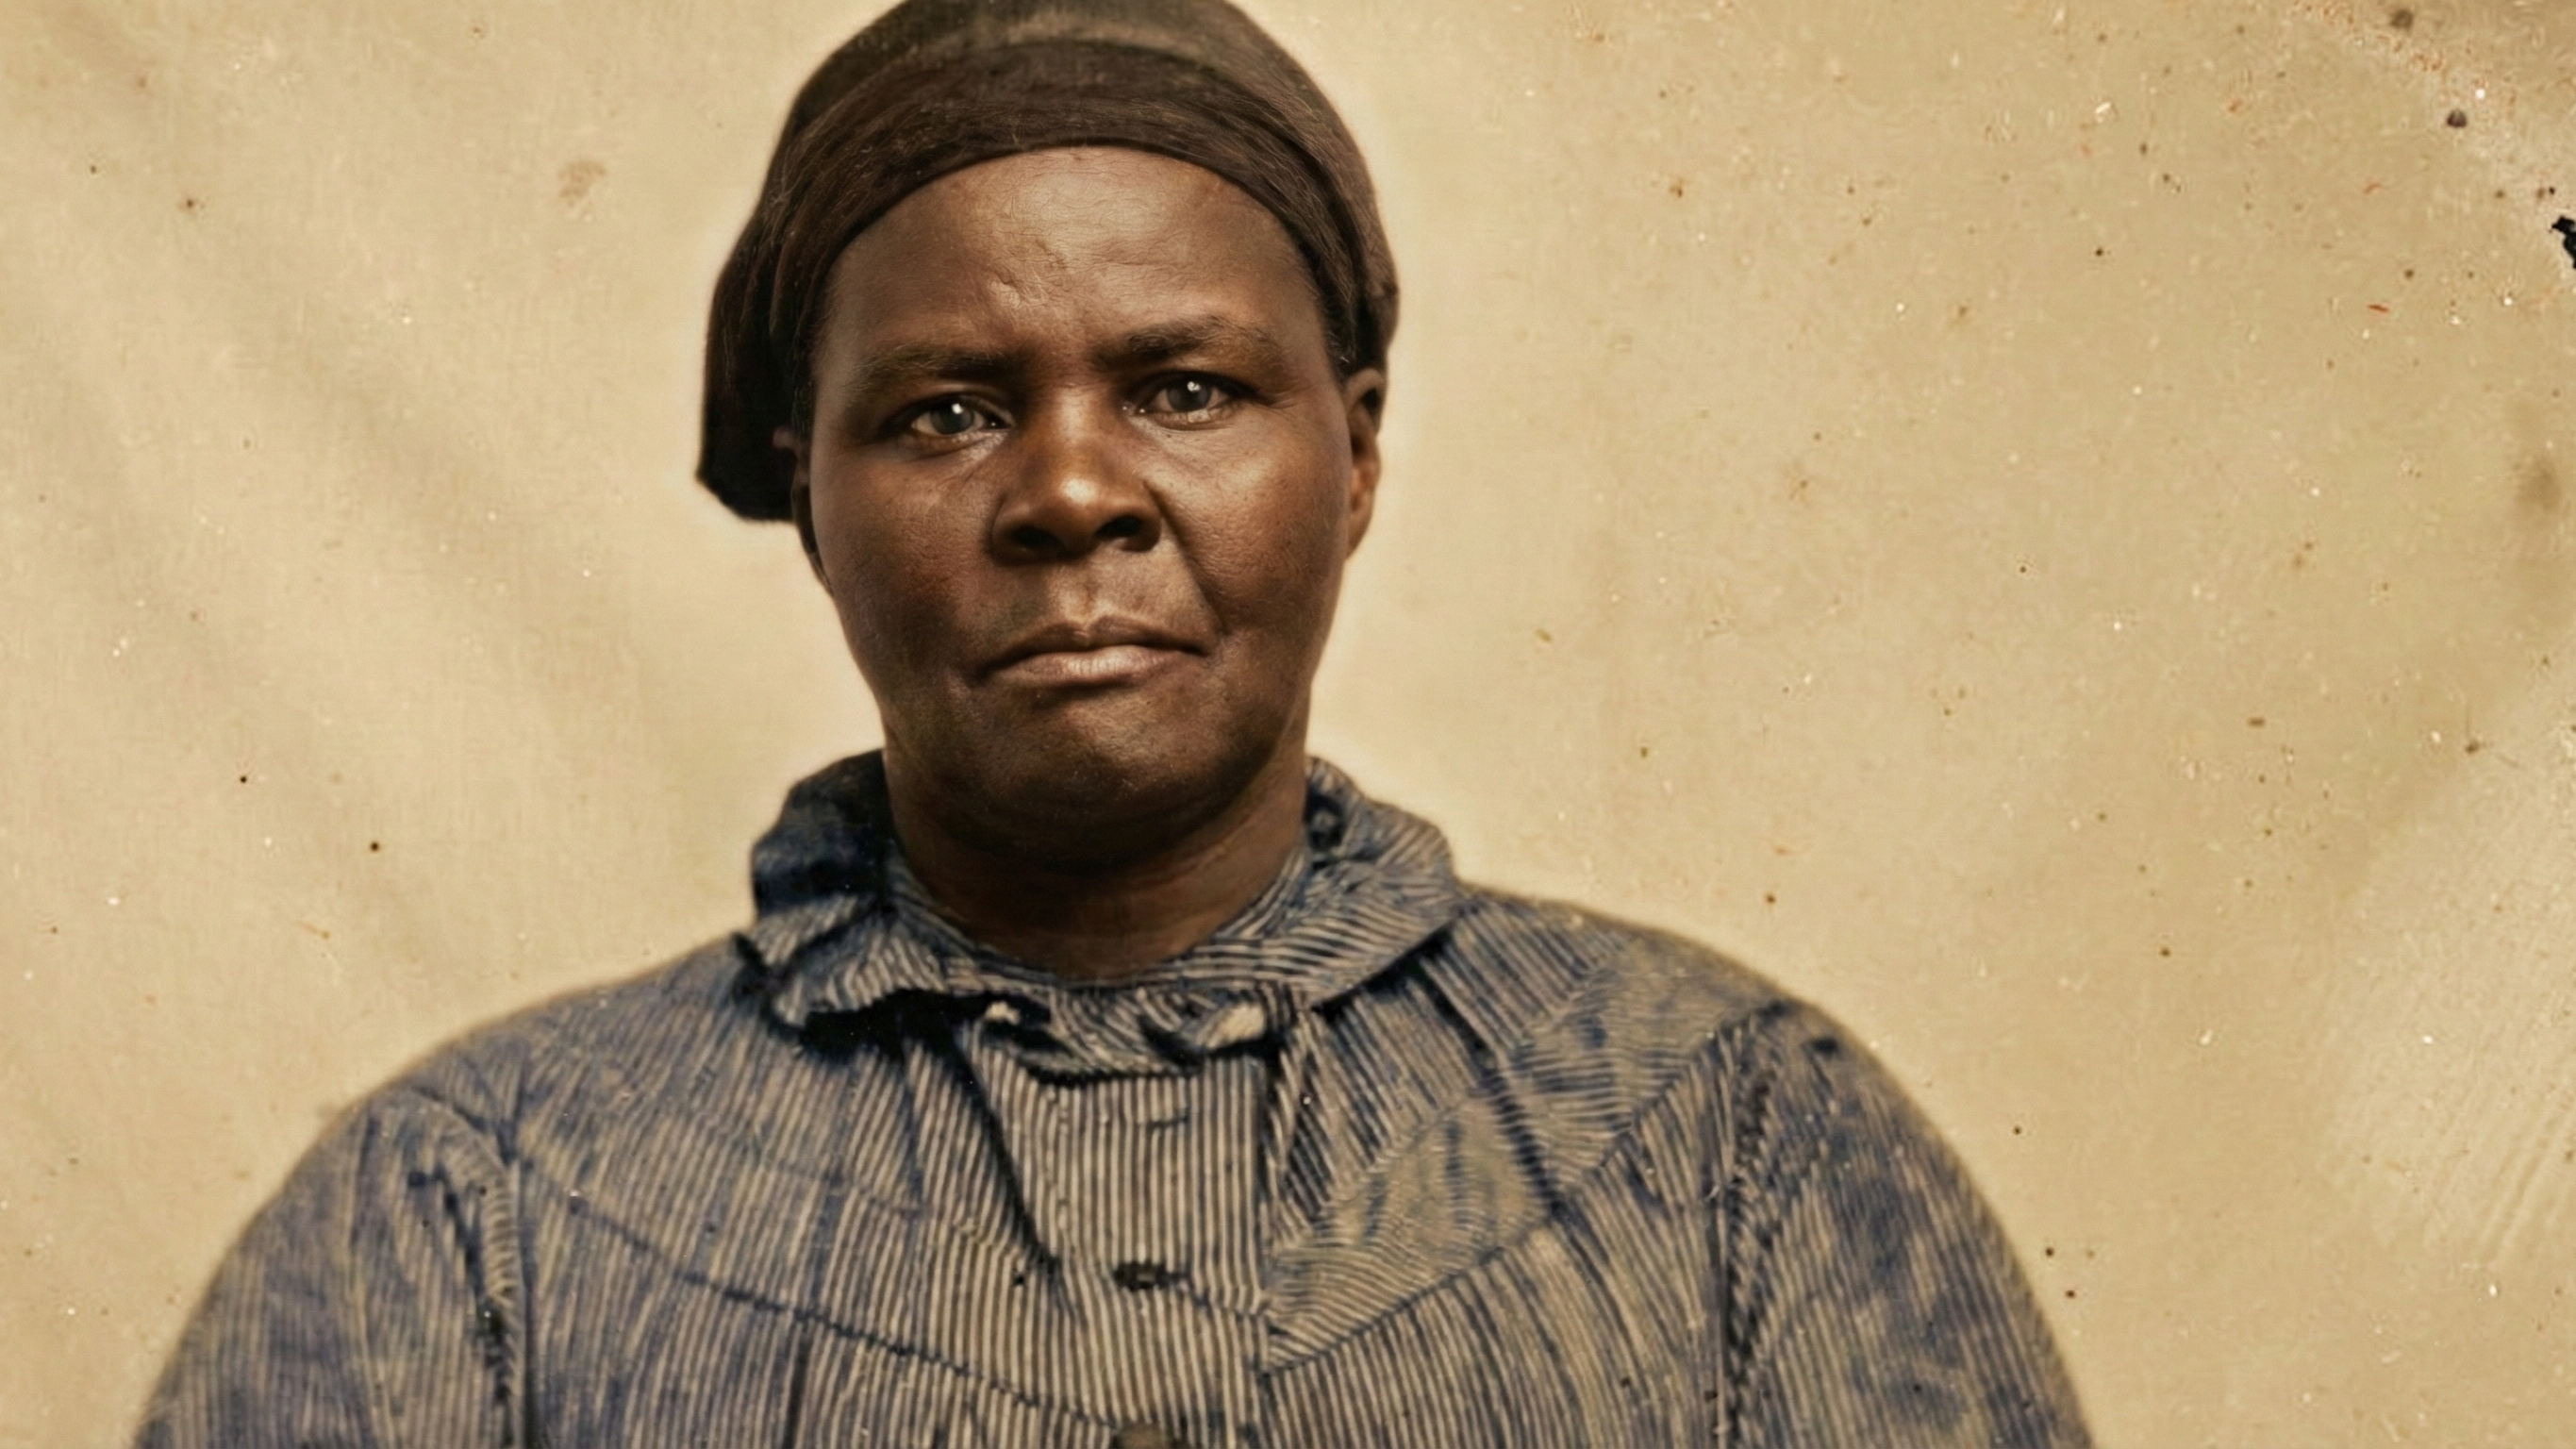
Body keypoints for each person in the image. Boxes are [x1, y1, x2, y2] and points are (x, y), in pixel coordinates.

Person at [138, 1, 2090, 1444]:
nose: (1072, 490)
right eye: (947, 412)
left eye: (1183, 387)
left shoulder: (1736, 1137)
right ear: (809, 494)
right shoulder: (472, 1211)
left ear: (1357, 455)